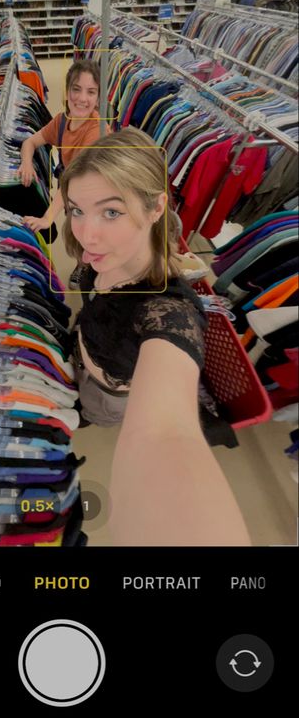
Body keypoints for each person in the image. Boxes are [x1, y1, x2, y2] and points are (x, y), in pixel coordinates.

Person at [59, 127, 251, 546]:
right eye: (77, 210)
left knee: (94, 410)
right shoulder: (101, 255)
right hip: (82, 355)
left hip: (107, 395)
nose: (86, 234)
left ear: (154, 208)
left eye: (111, 212)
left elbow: (163, 435)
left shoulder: (168, 313)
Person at [18, 59, 105, 288]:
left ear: (98, 98)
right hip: (73, 194)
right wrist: (26, 164)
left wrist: (47, 218)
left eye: (91, 92)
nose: (82, 98)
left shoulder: (95, 130)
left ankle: (90, 270)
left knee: (91, 235)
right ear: (67, 91)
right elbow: (30, 142)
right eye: (76, 89)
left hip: (95, 195)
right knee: (78, 233)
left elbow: (72, 179)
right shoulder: (62, 121)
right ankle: (82, 264)